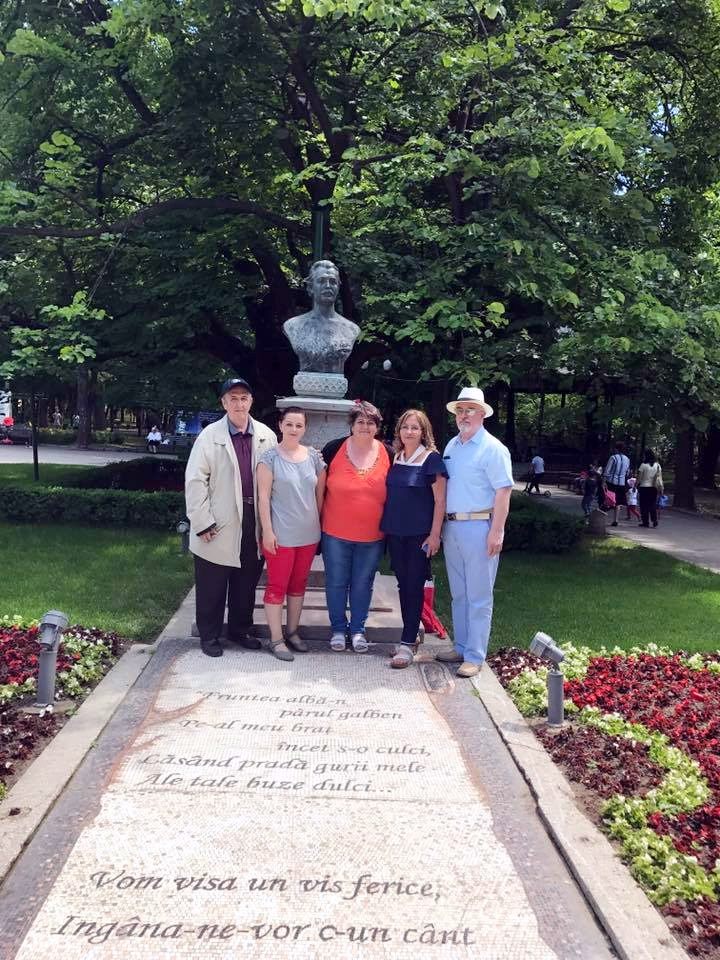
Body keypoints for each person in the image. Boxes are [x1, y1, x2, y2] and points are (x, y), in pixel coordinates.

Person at [185, 377, 277, 657]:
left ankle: (240, 631)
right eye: (232, 398)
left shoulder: (266, 435)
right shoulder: (209, 437)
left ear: (251, 402)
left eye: (243, 398)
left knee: (245, 583)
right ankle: (210, 636)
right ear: (224, 403)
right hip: (218, 521)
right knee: (212, 584)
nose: (239, 403)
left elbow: (276, 480)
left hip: (254, 518)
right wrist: (202, 522)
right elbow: (195, 481)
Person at [435, 387, 513, 679]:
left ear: (482, 414)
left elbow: (503, 492)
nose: (464, 415)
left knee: (479, 596)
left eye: (470, 410)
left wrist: (497, 532)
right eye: (460, 410)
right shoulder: (452, 446)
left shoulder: (493, 448)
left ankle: (475, 656)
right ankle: (461, 646)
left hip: (481, 527)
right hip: (453, 527)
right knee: (459, 594)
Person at [321, 401, 391, 653]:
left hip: (372, 535)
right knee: (336, 582)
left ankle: (358, 630)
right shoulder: (333, 449)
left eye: (370, 422)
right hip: (335, 533)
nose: (365, 426)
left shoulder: (389, 453)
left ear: (377, 427)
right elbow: (317, 485)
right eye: (359, 421)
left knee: (363, 583)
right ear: (351, 425)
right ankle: (338, 629)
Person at [256, 407, 326, 662]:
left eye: (299, 425)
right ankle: (276, 639)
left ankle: (293, 632)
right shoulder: (269, 458)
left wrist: (317, 525)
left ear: (305, 428)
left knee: (298, 586)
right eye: (290, 424)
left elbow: (320, 496)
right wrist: (267, 531)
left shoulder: (315, 458)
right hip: (280, 536)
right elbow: (263, 498)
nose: (294, 429)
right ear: (280, 425)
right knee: (277, 586)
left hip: (308, 535)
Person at [381, 410, 447, 669]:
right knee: (402, 585)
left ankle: (408, 642)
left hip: (419, 535)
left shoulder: (431, 460)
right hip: (395, 533)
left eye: (415, 428)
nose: (409, 432)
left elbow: (440, 501)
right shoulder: (396, 458)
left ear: (424, 432)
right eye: (405, 427)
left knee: (414, 586)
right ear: (399, 430)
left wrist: (434, 535)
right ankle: (407, 637)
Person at [603, 442, 630, 527]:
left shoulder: (613, 457)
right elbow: (627, 472)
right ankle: (616, 520)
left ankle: (601, 518)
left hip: (611, 482)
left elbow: (607, 470)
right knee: (618, 502)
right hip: (621, 483)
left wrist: (604, 481)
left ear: (616, 449)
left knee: (608, 499)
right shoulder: (627, 459)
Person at [636, 449, 663, 528]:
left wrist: (635, 485)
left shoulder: (643, 465)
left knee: (643, 505)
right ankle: (654, 520)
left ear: (646, 456)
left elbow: (639, 478)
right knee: (652, 504)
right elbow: (660, 477)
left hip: (644, 487)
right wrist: (661, 487)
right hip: (654, 487)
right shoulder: (657, 465)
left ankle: (645, 522)